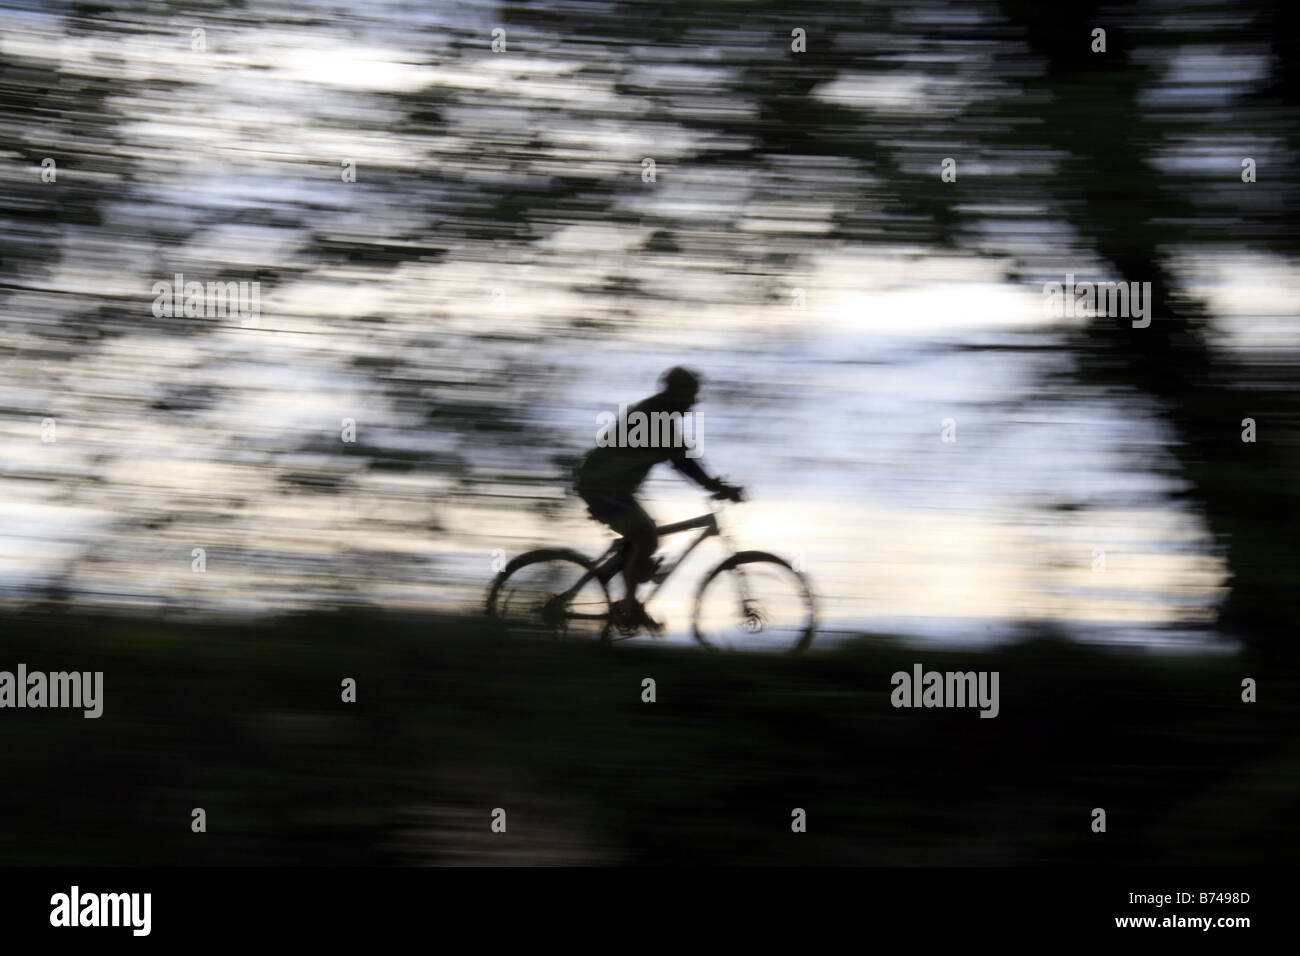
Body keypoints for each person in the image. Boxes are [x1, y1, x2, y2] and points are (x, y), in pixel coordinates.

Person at [574, 366, 743, 632]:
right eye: (690, 396)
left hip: (609, 487)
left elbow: (683, 460)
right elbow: (684, 463)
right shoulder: (654, 418)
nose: (692, 403)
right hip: (602, 487)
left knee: (644, 539)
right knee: (646, 536)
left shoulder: (658, 415)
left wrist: (714, 486)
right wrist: (716, 487)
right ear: (676, 394)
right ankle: (629, 608)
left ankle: (624, 587)